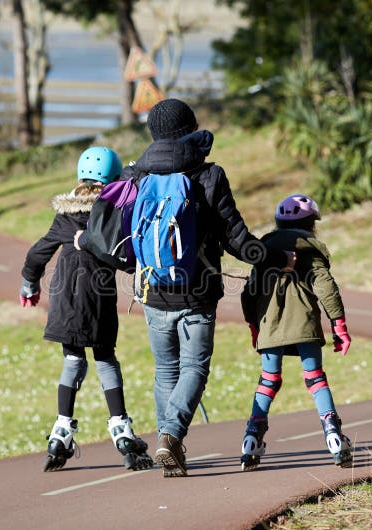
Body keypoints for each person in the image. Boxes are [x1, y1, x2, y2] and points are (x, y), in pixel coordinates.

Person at [121, 98, 294, 477]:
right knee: (195, 367)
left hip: (152, 292)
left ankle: (172, 450)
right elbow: (236, 239)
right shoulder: (209, 175)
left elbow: (122, 237)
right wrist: (275, 258)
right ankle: (170, 436)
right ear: (190, 129)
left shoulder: (135, 177)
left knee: (166, 370)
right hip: (198, 293)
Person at [19, 146, 153, 472]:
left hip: (65, 301)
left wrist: (29, 284)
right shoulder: (112, 213)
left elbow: (39, 252)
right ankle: (121, 429)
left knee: (73, 359)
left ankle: (61, 430)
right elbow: (124, 258)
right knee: (105, 357)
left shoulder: (65, 214)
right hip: (99, 300)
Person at [239, 194, 353, 470]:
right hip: (304, 323)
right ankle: (333, 435)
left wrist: (255, 327)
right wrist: (339, 325)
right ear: (311, 224)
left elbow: (247, 294)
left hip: (269, 324)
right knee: (315, 379)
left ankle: (251, 439)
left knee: (269, 380)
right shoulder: (310, 250)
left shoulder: (265, 249)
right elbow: (325, 286)